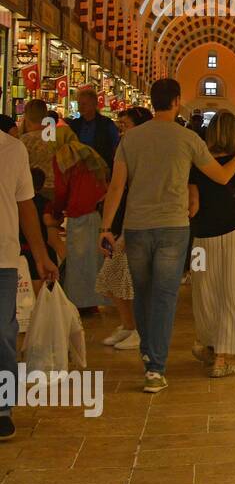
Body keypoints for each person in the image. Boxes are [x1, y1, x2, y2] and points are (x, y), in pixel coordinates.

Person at [99, 79, 235, 394]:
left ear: (152, 102)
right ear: (177, 101)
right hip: (173, 227)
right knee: (165, 297)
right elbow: (220, 177)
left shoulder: (131, 139)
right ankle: (155, 369)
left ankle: (148, 355)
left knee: (143, 292)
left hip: (137, 225)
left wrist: (106, 228)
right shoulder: (188, 138)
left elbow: (116, 186)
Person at [187, 110, 235, 378]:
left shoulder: (198, 162)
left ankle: (208, 343)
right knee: (234, 292)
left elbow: (192, 205)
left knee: (204, 292)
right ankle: (220, 358)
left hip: (201, 238)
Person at [0, 131, 58, 439]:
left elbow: (26, 206)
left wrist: (40, 255)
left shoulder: (13, 149)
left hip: (3, 256)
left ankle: (2, 406)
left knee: (3, 333)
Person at [96, 107, 150, 351]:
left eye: (125, 125)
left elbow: (127, 189)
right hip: (121, 222)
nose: (121, 131)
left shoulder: (143, 151)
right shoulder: (125, 148)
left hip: (134, 222)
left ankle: (138, 329)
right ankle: (128, 325)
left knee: (126, 280)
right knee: (114, 279)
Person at [44, 127, 109, 313]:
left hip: (77, 213)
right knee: (93, 259)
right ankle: (93, 301)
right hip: (97, 212)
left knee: (78, 261)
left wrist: (55, 212)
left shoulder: (62, 158)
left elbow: (61, 190)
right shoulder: (88, 153)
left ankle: (79, 303)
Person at [68, 87, 120, 169]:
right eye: (79, 104)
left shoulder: (106, 124)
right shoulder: (75, 124)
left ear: (94, 104)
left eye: (84, 104)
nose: (80, 107)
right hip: (79, 169)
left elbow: (116, 147)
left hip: (101, 168)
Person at [19, 100, 56, 194]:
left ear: (27, 116)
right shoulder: (54, 138)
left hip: (32, 189)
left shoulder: (25, 140)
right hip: (53, 187)